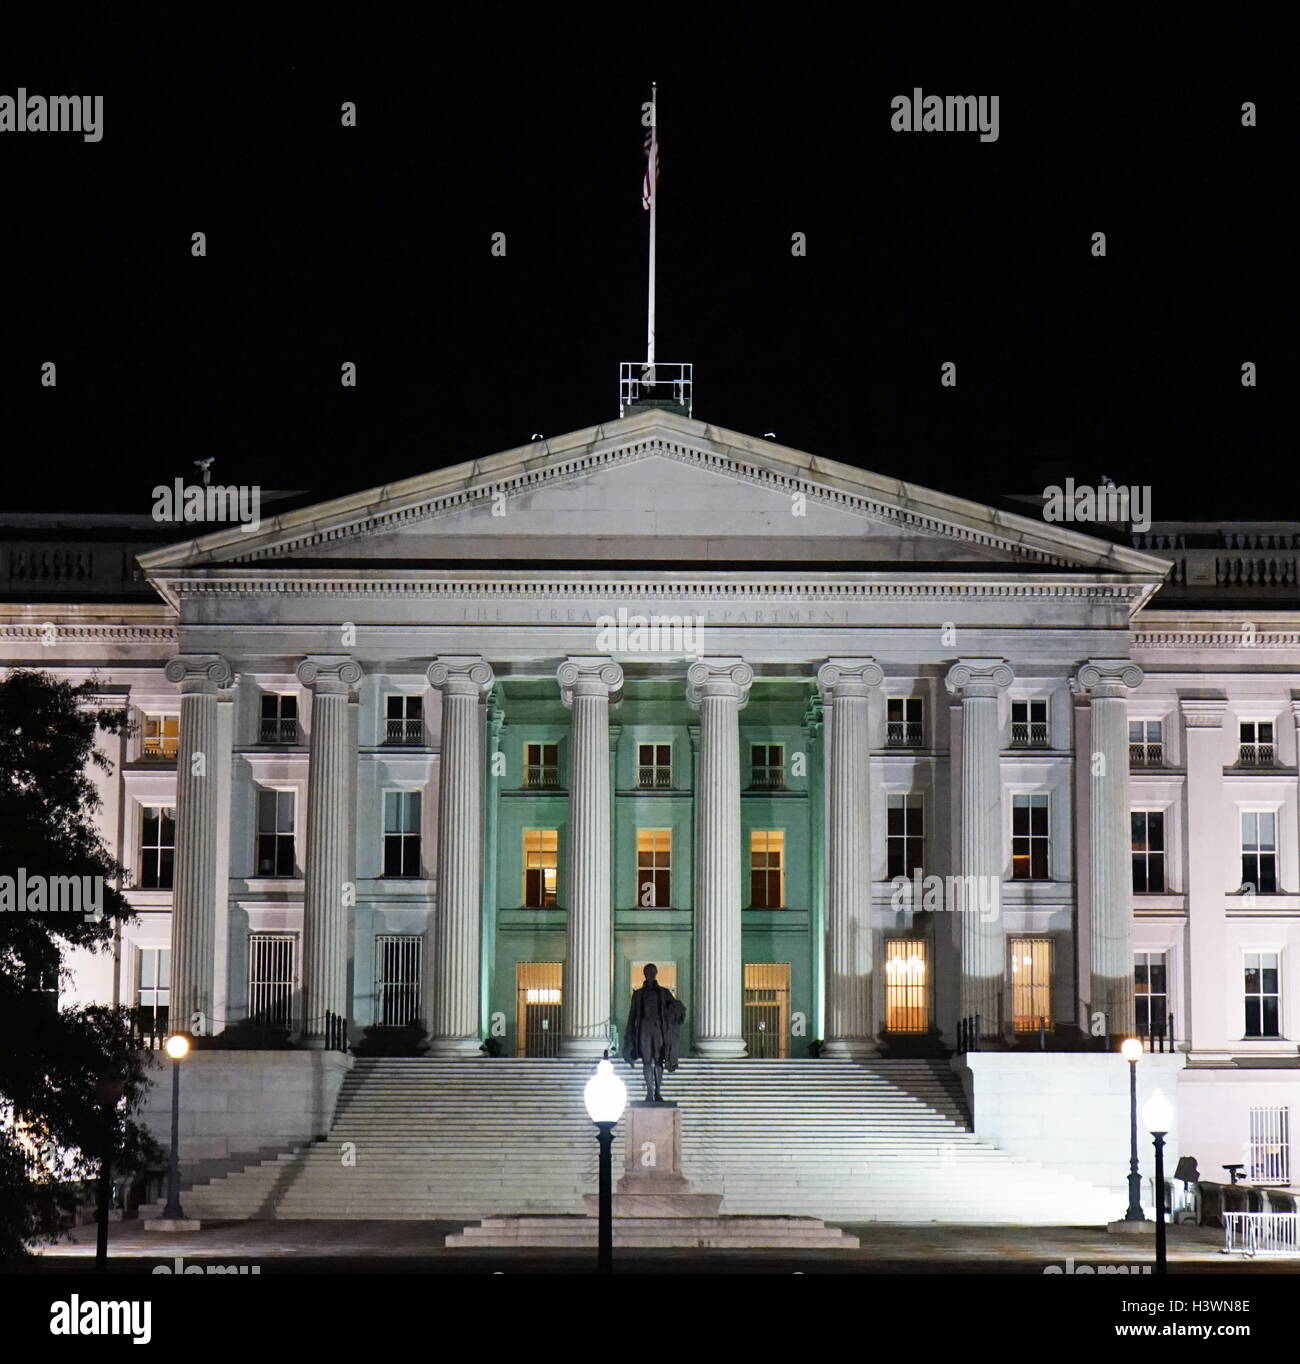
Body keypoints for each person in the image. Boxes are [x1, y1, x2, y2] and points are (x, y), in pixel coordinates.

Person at [621, 963, 685, 1101]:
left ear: (656, 973)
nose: (650, 974)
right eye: (647, 972)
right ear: (644, 974)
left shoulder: (664, 992)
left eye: (652, 972)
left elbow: (677, 1009)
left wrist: (673, 1014)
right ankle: (649, 1092)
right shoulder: (638, 994)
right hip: (644, 1029)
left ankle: (657, 1091)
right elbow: (632, 1016)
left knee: (658, 1060)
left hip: (658, 1029)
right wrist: (629, 1036)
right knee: (646, 1060)